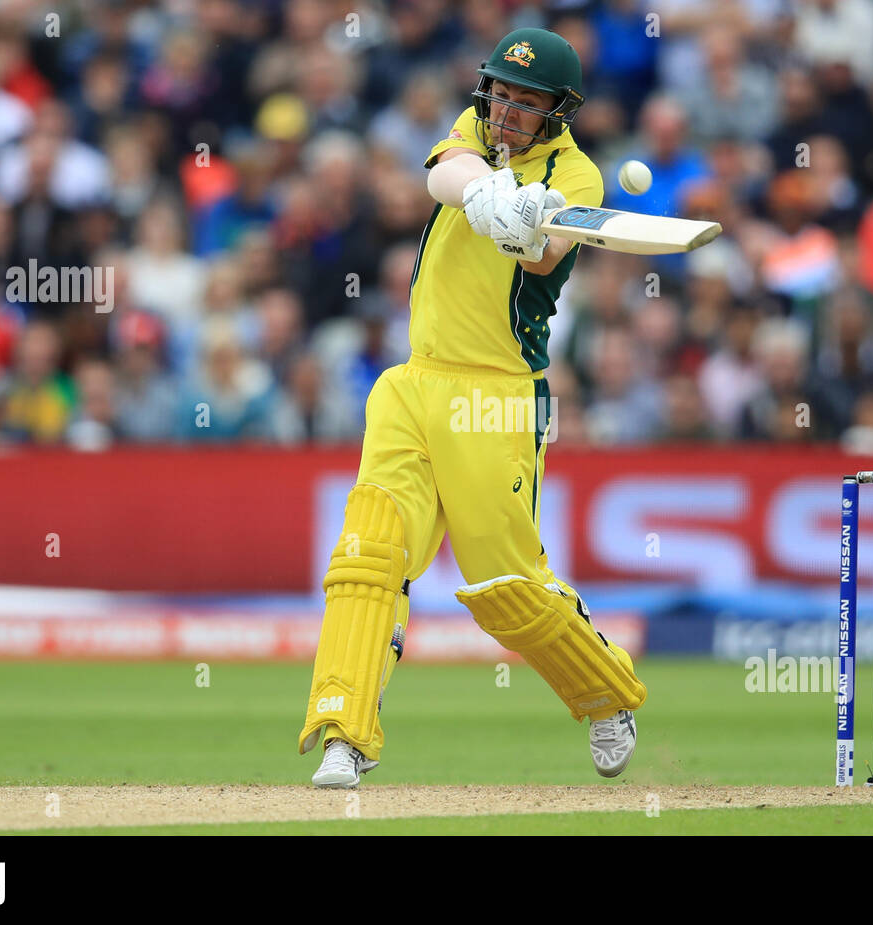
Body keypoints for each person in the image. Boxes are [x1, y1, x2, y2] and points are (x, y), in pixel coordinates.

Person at [299, 28, 647, 789]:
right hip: (413, 383)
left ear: (559, 111)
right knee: (368, 551)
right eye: (501, 94)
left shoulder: (578, 175)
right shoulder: (473, 131)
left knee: (505, 587)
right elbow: (442, 176)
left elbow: (545, 255)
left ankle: (604, 693)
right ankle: (343, 731)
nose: (508, 112)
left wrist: (526, 223)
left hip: (497, 397)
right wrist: (487, 193)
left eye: (527, 102)